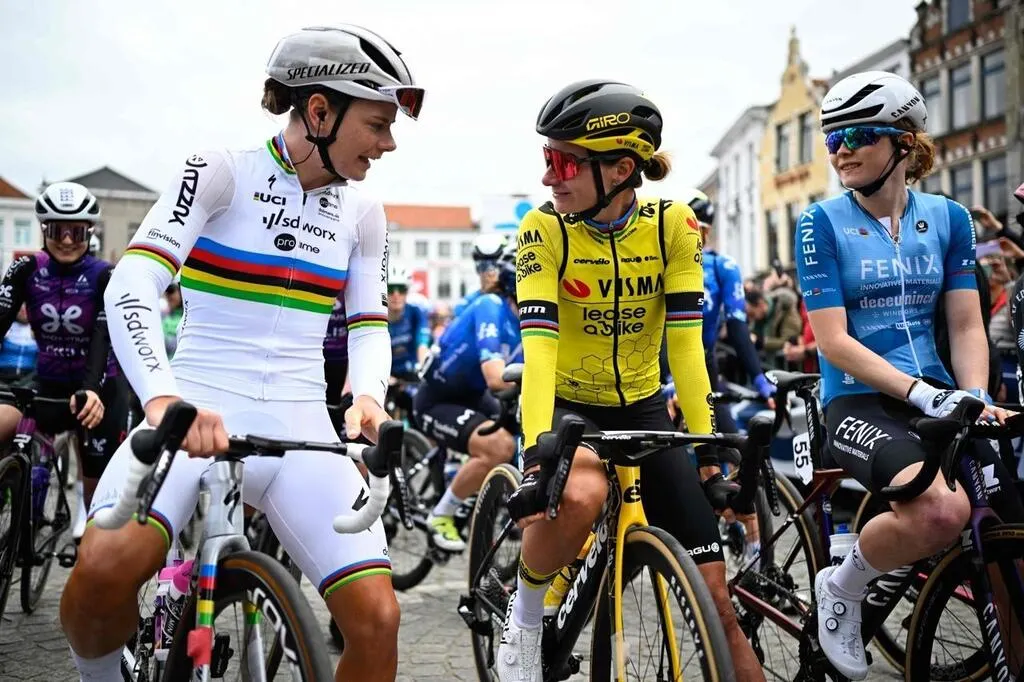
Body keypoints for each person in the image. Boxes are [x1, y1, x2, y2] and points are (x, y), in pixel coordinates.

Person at [60, 24, 425, 682]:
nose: (388, 142)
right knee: (99, 577)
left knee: (377, 620)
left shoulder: (365, 213)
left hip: (301, 427)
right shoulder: (220, 171)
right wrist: (163, 397)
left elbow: (369, 325)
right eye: (376, 123)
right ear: (320, 111)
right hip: (195, 410)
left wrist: (366, 396)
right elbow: (133, 283)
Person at [499, 79, 765, 682]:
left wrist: (706, 450)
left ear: (621, 168)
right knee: (581, 494)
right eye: (547, 159)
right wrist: (538, 456)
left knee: (718, 603)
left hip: (644, 408)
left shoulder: (673, 224)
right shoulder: (544, 230)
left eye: (563, 161)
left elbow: (688, 350)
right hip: (570, 407)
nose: (548, 177)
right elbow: (537, 354)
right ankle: (525, 615)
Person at [798, 70, 1023, 680]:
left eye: (857, 135)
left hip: (943, 396)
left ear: (903, 142)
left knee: (1008, 532)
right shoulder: (820, 223)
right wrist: (925, 392)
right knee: (941, 514)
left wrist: (972, 396)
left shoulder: (950, 218)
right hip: (860, 401)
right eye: (832, 139)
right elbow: (834, 341)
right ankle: (843, 585)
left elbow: (967, 325)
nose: (840, 150)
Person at [0, 182, 131, 540]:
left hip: (99, 387)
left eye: (77, 230)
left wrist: (90, 390)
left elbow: (103, 339)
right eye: (59, 230)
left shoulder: (105, 275)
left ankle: (87, 528)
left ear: (90, 232)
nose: (68, 239)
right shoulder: (25, 269)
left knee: (95, 491)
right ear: (45, 231)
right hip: (48, 380)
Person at [412, 249, 520, 551]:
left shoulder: (530, 319)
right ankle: (441, 515)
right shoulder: (490, 305)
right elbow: (495, 377)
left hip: (473, 397)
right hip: (437, 399)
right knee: (499, 446)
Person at [387, 263, 431, 377]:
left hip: (411, 373)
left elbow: (422, 344)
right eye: (390, 289)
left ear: (407, 292)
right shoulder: (376, 317)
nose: (396, 295)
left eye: (401, 289)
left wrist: (423, 369)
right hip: (386, 376)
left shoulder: (416, 312)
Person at [452, 233, 508, 317]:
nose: (490, 273)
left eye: (496, 265)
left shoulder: (514, 302)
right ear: (477, 269)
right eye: (484, 266)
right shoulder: (466, 305)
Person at [0, 304, 37, 384]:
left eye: (26, 308)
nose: (24, 312)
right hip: (3, 375)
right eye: (21, 309)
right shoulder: (5, 326)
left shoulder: (39, 330)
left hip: (28, 378)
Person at [161, 282, 184, 357]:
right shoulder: (161, 316)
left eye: (171, 291)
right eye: (166, 291)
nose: (168, 295)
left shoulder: (189, 317)